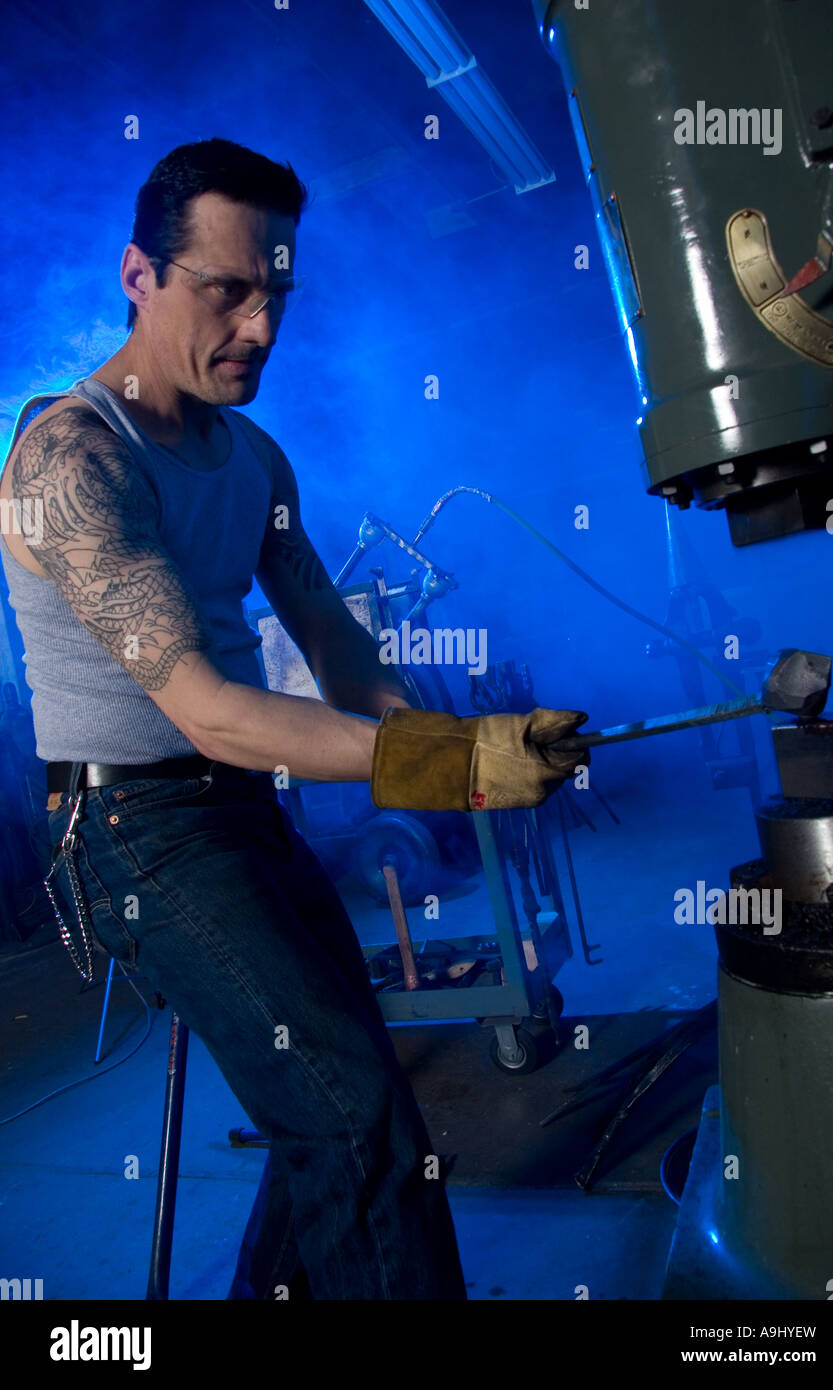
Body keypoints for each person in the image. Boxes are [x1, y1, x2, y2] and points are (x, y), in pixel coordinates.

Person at [0, 137, 589, 1299]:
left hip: (235, 812)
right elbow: (210, 711)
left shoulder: (256, 459)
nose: (260, 327)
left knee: (344, 1089)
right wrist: (442, 763)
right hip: (128, 838)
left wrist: (447, 733)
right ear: (139, 276)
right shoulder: (68, 456)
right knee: (354, 1114)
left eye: (277, 293)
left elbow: (331, 640)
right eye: (227, 291)